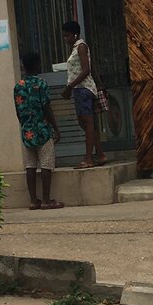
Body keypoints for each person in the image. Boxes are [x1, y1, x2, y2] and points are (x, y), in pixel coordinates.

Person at [14, 52, 63, 210]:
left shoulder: (18, 86)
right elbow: (46, 108)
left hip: (27, 130)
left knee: (30, 165)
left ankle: (34, 200)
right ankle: (47, 200)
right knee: (46, 164)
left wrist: (24, 125)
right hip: (42, 129)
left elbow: (18, 110)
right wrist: (55, 128)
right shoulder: (41, 84)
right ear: (36, 65)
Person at [60, 20, 107, 169]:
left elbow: (86, 70)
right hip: (82, 88)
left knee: (87, 124)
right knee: (87, 124)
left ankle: (88, 159)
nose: (65, 39)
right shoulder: (78, 47)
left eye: (67, 36)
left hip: (83, 89)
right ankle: (100, 154)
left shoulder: (81, 47)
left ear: (74, 34)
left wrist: (70, 87)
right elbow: (91, 67)